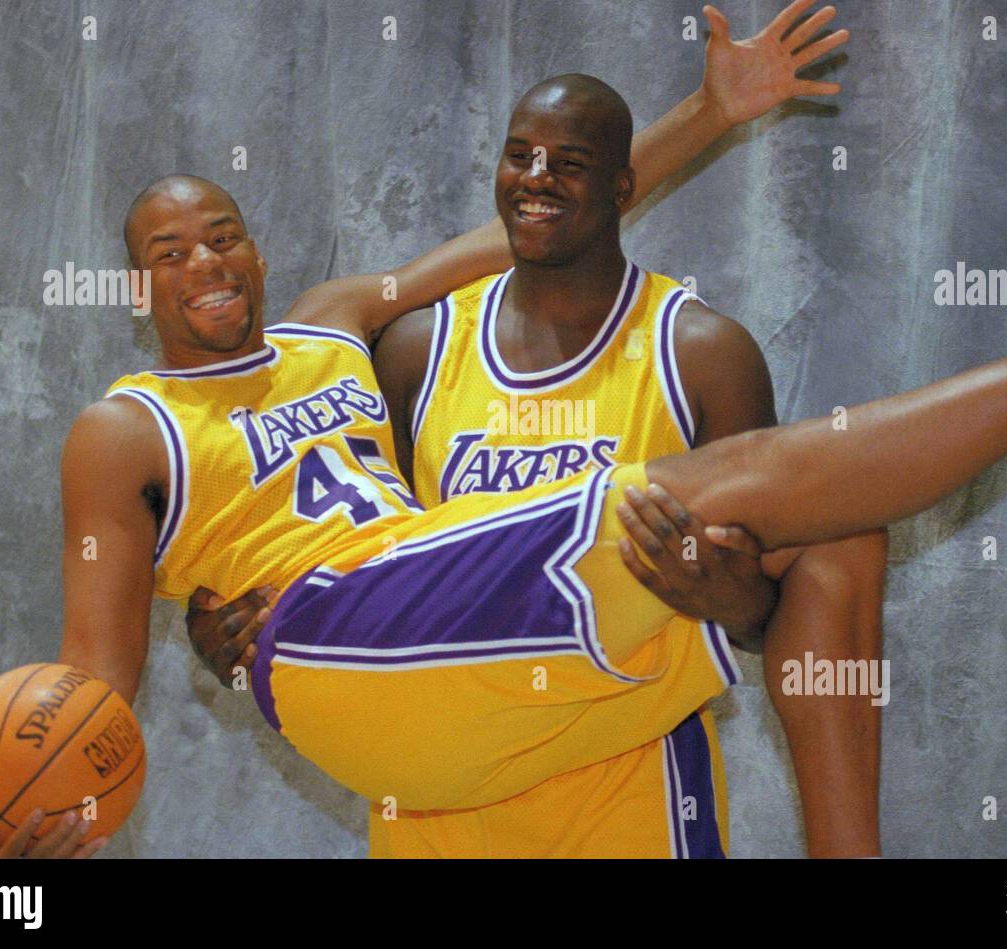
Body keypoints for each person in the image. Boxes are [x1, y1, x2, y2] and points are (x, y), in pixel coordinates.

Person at [0, 0, 855, 859]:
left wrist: (710, 111)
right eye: (170, 253)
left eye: (223, 236)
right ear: (137, 290)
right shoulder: (179, 414)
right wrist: (30, 790)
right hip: (402, 721)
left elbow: (531, 220)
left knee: (825, 521)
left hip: (558, 723)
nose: (206, 263)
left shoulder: (337, 324)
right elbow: (111, 658)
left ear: (258, 251)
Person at [194, 72, 887, 858]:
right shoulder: (417, 350)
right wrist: (231, 618)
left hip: (628, 801)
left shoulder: (698, 354)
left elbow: (773, 605)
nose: (535, 178)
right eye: (519, 155)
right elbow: (341, 543)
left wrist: (734, 600)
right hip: (441, 807)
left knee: (848, 525)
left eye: (567, 162)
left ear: (621, 186)